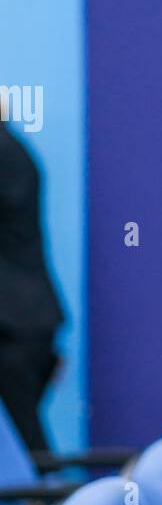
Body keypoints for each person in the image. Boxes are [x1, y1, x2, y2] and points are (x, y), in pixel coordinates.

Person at [0, 118, 65, 450]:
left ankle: (45, 500)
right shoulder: (12, 146)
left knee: (26, 451)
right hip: (26, 319)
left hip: (14, 328)